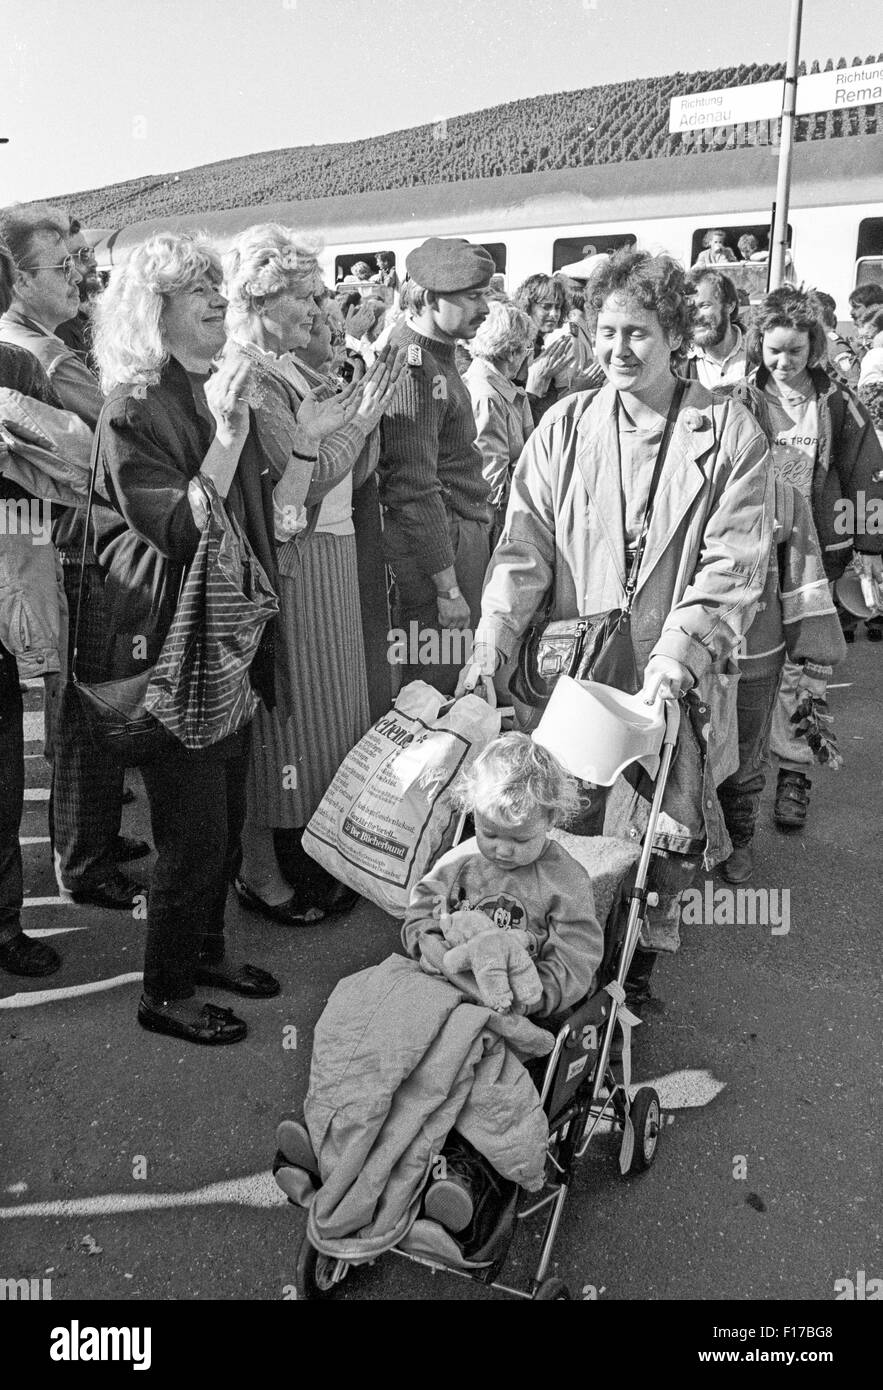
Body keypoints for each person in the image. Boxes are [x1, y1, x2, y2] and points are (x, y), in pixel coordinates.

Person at [460, 249, 774, 1004]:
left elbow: (733, 566)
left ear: (674, 335)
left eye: (636, 332)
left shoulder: (730, 435)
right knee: (562, 832)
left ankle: (626, 986)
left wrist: (678, 656)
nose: (617, 349)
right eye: (605, 331)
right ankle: (556, 985)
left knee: (657, 838)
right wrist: (488, 648)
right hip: (574, 685)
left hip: (670, 682)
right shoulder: (562, 426)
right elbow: (522, 549)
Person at [90, 231, 285, 1045]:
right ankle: (164, 991)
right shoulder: (134, 405)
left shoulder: (206, 386)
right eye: (192, 286)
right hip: (170, 649)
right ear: (151, 309)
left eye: (216, 283)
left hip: (224, 642)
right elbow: (179, 528)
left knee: (226, 813)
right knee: (192, 835)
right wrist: (231, 429)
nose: (215, 296)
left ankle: (205, 953)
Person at [222, 227, 404, 922]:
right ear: (260, 300)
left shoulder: (288, 369)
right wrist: (362, 418)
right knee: (288, 729)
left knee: (328, 725)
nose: (318, 304)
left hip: (323, 558)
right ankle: (262, 874)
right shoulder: (253, 376)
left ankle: (312, 861)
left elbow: (347, 471)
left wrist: (356, 420)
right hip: (292, 570)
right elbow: (309, 480)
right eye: (303, 292)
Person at [400, 731, 604, 1232]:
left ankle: (468, 1180)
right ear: (473, 814)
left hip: (514, 1010)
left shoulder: (564, 881)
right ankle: (342, 1129)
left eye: (519, 840)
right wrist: (424, 939)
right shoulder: (462, 860)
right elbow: (421, 910)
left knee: (495, 1093)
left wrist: (538, 996)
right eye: (491, 834)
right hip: (447, 992)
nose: (502, 850)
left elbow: (577, 954)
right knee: (387, 1035)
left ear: (552, 822)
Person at [0, 203, 139, 910]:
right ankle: (85, 858)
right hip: (75, 547)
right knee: (88, 709)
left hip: (72, 545)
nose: (81, 278)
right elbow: (117, 424)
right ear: (18, 280)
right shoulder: (41, 355)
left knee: (86, 706)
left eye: (82, 262)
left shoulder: (45, 341)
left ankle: (89, 840)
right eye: (64, 267)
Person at [727, 287, 883, 824]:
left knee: (809, 667)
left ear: (813, 344)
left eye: (795, 350)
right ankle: (736, 785)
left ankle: (795, 775)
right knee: (749, 670)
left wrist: (870, 547)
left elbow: (868, 472)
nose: (784, 362)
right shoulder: (740, 401)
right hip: (755, 557)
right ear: (758, 345)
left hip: (823, 558)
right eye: (774, 350)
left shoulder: (838, 401)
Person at [378, 236, 496, 696]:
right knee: (435, 692)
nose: (484, 307)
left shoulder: (433, 355)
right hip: (439, 550)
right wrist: (447, 587)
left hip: (451, 539)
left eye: (484, 293)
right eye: (471, 296)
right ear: (428, 299)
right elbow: (412, 485)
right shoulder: (414, 366)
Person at [463, 299, 536, 543]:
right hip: (493, 522)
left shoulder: (493, 386)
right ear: (510, 350)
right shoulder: (488, 397)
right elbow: (490, 476)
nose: (526, 357)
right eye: (525, 349)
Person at [512, 273, 576, 425]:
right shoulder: (517, 346)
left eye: (558, 307)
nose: (554, 314)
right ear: (528, 306)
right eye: (546, 306)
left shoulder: (538, 344)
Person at [682, 269, 747, 386]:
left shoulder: (758, 353)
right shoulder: (678, 364)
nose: (695, 316)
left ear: (729, 306)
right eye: (689, 308)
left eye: (704, 306)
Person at [56, 218, 103, 367]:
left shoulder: (80, 317)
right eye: (83, 255)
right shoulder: (58, 330)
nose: (94, 262)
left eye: (90, 253)